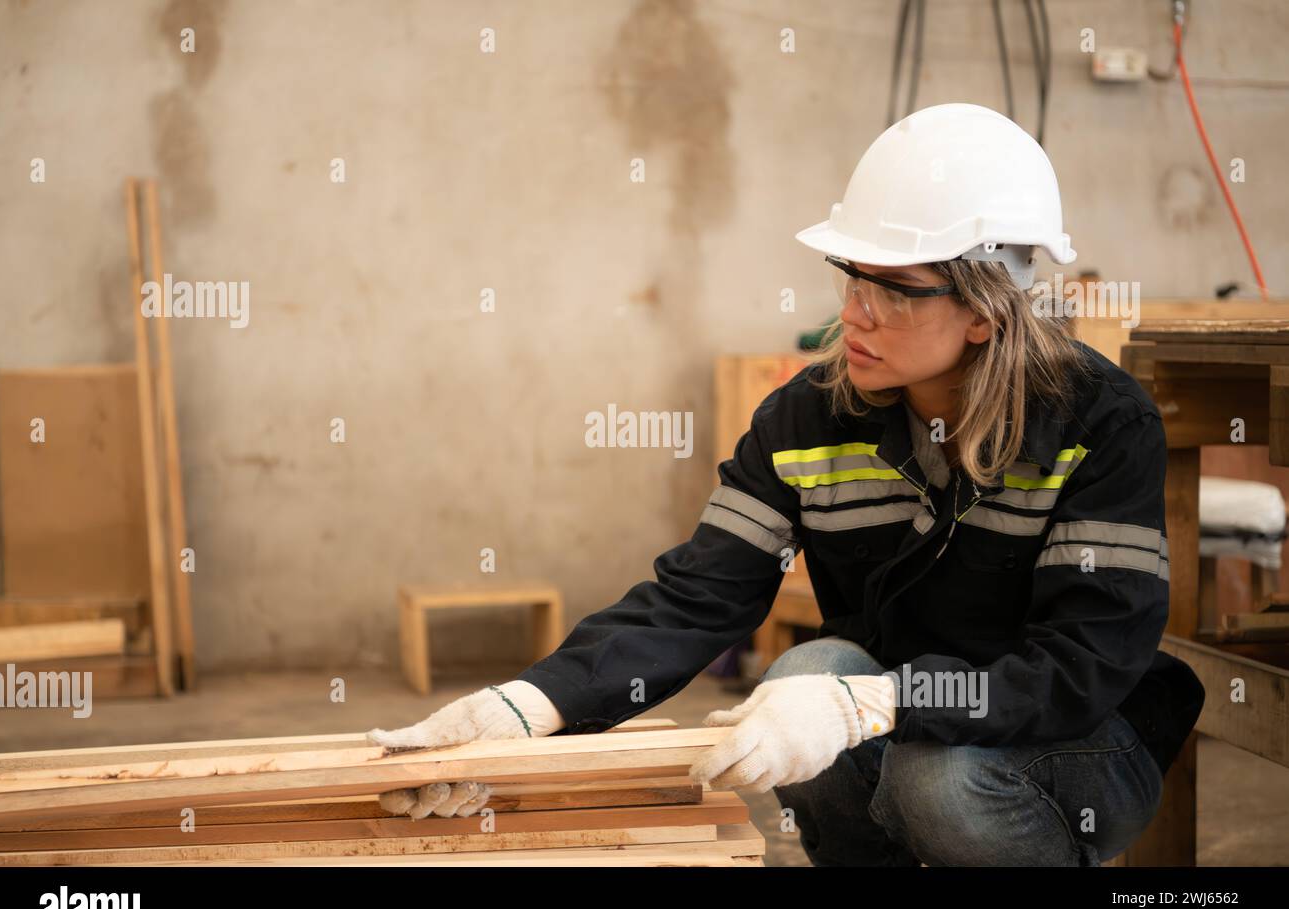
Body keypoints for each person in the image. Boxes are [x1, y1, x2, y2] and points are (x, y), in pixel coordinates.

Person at [368, 103, 1205, 866]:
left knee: (935, 777)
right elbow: (696, 599)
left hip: (1080, 737)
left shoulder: (1099, 424)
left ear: (988, 312)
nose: (855, 314)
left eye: (895, 292)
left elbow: (1080, 669)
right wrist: (525, 712)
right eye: (852, 276)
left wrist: (871, 705)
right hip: (911, 715)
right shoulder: (807, 419)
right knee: (805, 675)